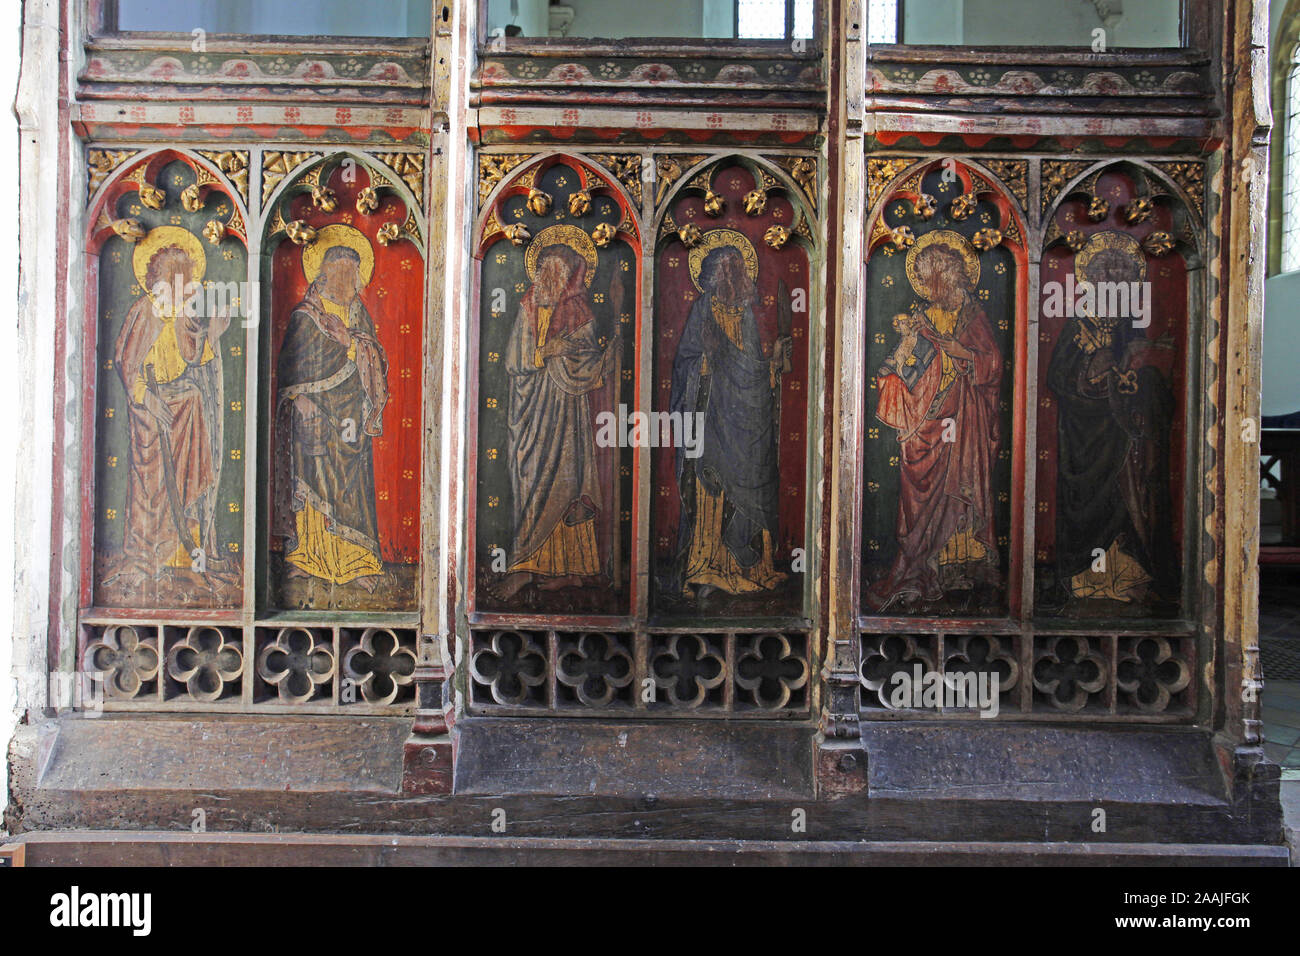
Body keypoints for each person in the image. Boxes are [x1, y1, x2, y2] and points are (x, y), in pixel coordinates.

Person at [866, 232, 1002, 612]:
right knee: (919, 500)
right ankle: (916, 573)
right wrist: (896, 365)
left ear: (948, 275)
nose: (926, 288)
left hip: (965, 421)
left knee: (959, 490)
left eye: (931, 279)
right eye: (922, 280)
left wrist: (964, 355)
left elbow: (993, 365)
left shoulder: (974, 317)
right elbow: (898, 369)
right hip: (925, 423)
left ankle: (956, 570)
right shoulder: (922, 319)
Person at [1046, 233, 1176, 607]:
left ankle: (1127, 577)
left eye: (1122, 278)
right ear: (1093, 281)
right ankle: (1084, 578)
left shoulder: (1129, 325)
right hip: (1085, 434)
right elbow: (1059, 376)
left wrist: (1141, 367)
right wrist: (1090, 372)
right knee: (1087, 500)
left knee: (1126, 502)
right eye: (1106, 277)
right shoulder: (1079, 323)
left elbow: (1146, 372)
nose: (1113, 284)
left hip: (1124, 433)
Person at [493, 241, 619, 601]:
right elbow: (513, 361)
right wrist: (546, 352)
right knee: (532, 480)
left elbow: (587, 363)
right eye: (545, 268)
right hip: (529, 413)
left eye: (559, 270)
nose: (550, 276)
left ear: (570, 277)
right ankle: (526, 565)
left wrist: (603, 360)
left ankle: (574, 570)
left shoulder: (580, 313)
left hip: (567, 415)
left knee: (567, 482)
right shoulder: (528, 306)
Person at [669, 242, 790, 598]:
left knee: (752, 479)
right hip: (711, 416)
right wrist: (705, 361)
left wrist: (771, 367)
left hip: (745, 418)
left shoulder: (744, 314)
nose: (731, 274)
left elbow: (749, 368)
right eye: (725, 269)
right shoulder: (703, 310)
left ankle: (750, 568)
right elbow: (686, 362)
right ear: (710, 276)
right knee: (711, 483)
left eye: (736, 268)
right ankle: (706, 566)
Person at [113, 237, 226, 588]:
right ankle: (146, 557)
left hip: (181, 405)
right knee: (151, 485)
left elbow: (192, 356)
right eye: (181, 280)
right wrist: (148, 397)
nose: (188, 288)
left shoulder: (180, 313)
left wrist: (213, 334)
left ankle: (185, 553)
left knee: (192, 398)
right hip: (150, 410)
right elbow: (125, 363)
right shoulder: (143, 311)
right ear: (163, 280)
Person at [277, 239, 388, 592]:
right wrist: (299, 399)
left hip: (350, 413)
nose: (351, 282)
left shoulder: (358, 315)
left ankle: (355, 561)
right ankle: (305, 558)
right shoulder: (305, 316)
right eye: (343, 273)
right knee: (311, 479)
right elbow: (289, 370)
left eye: (354, 274)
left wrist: (351, 343)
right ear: (326, 274)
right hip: (313, 415)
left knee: (350, 484)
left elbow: (376, 360)